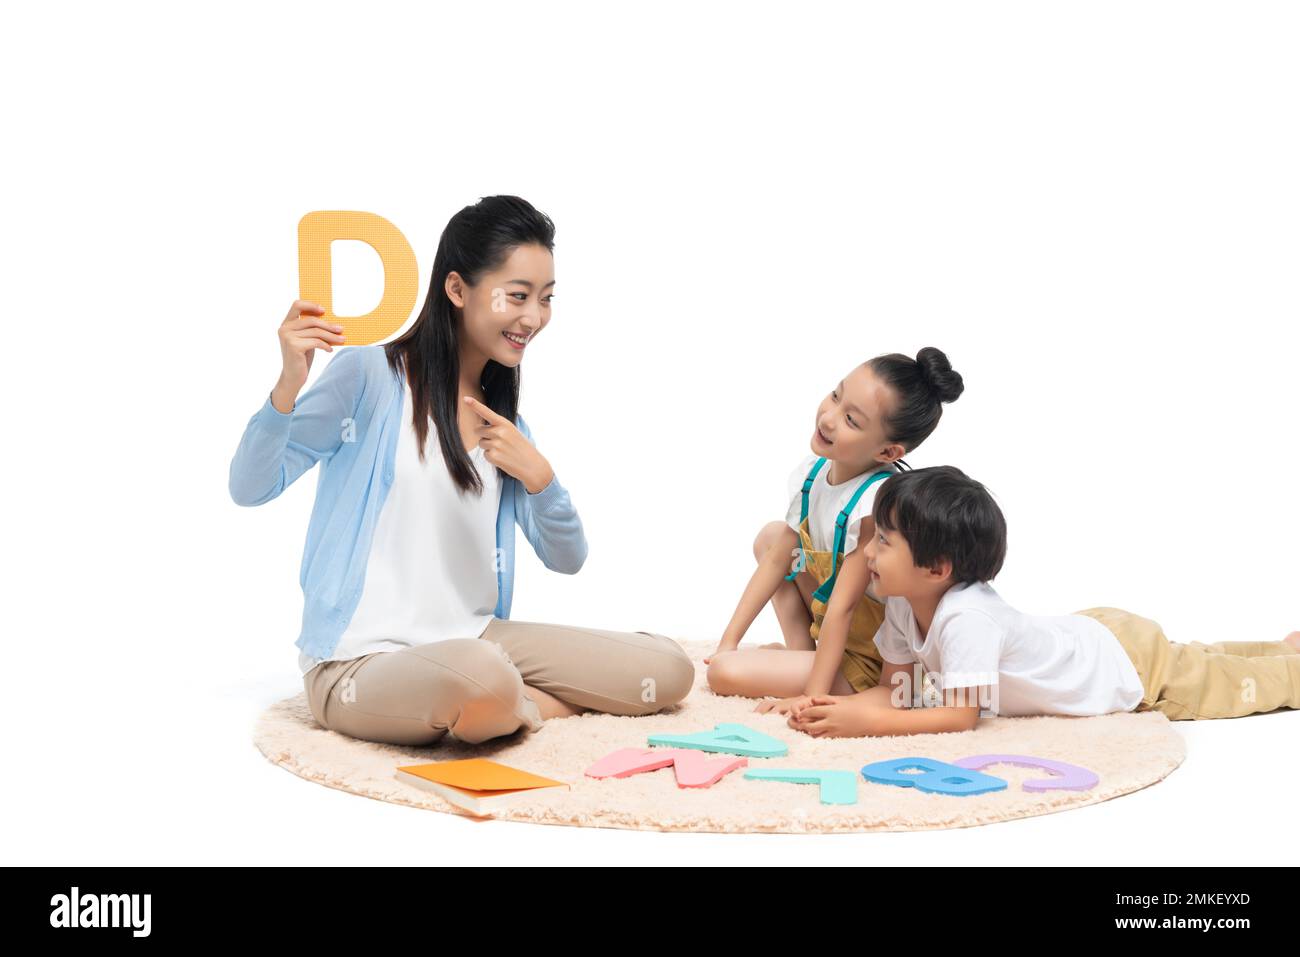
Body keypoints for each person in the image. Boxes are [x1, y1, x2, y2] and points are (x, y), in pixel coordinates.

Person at [228, 195, 694, 746]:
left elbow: (567, 559)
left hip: (476, 639)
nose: (534, 318)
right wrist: (289, 384)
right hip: (358, 663)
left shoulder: (505, 425)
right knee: (487, 678)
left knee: (667, 670)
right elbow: (250, 486)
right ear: (456, 290)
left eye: (545, 299)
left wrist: (541, 478)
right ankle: (513, 702)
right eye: (518, 296)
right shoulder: (370, 377)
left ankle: (502, 706)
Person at [786, 466, 1300, 738]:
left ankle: (1288, 667)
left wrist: (867, 724)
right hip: (1092, 633)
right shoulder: (903, 600)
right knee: (1201, 656)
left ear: (937, 569)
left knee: (1231, 686)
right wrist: (837, 706)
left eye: (884, 542)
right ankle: (1279, 645)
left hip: (1128, 667)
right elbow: (893, 691)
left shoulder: (966, 617)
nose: (868, 552)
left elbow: (963, 717)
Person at [704, 348, 965, 712]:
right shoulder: (813, 473)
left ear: (889, 452)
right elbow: (778, 559)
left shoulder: (874, 504)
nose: (828, 418)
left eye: (851, 421)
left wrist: (808, 697)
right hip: (827, 629)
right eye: (836, 395)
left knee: (724, 675)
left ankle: (822, 679)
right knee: (772, 539)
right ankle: (800, 652)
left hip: (862, 659)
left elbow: (842, 607)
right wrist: (727, 642)